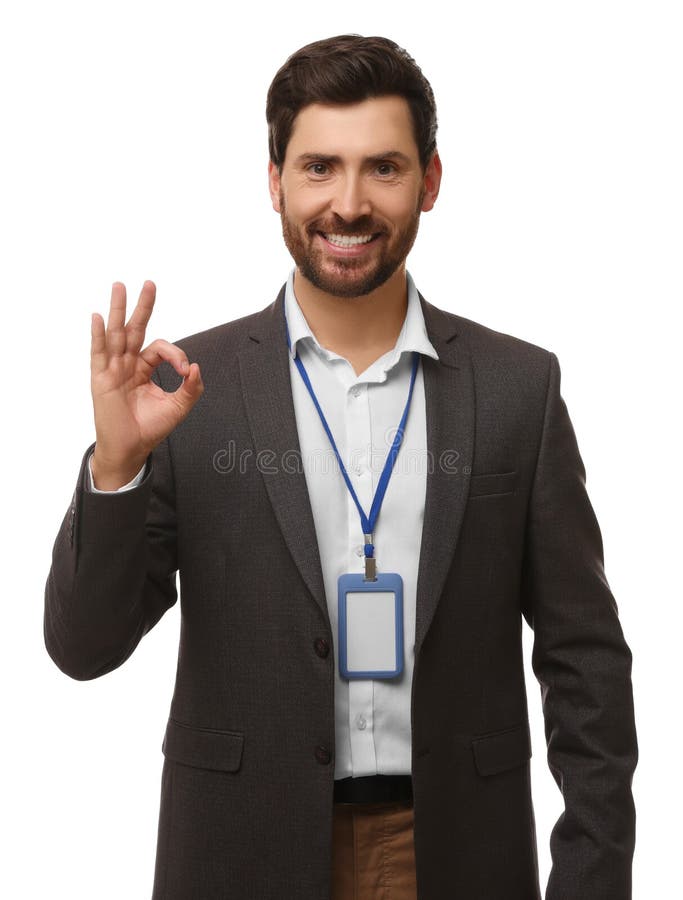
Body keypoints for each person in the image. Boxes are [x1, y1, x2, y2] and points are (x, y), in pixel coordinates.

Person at [44, 33, 638, 900]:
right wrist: (117, 466)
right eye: (319, 167)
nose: (348, 204)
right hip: (242, 853)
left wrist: (593, 877)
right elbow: (82, 648)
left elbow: (584, 660)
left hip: (457, 855)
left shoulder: (519, 388)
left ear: (430, 181)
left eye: (383, 169)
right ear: (274, 180)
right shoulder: (182, 393)